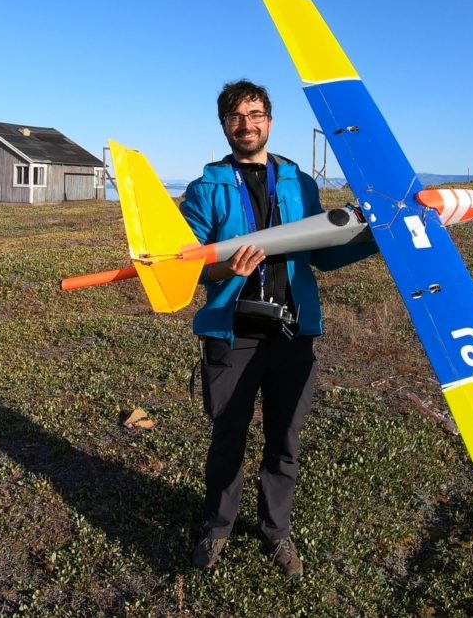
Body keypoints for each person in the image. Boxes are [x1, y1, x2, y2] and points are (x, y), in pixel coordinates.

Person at [179, 80, 377, 580]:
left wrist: (374, 240)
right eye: (235, 117)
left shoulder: (298, 183)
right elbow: (184, 265)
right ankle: (218, 526)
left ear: (270, 120)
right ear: (224, 125)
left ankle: (275, 532)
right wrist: (229, 270)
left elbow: (323, 253)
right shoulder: (206, 190)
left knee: (283, 439)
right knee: (228, 437)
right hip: (233, 335)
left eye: (255, 114)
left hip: (292, 332)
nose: (246, 124)